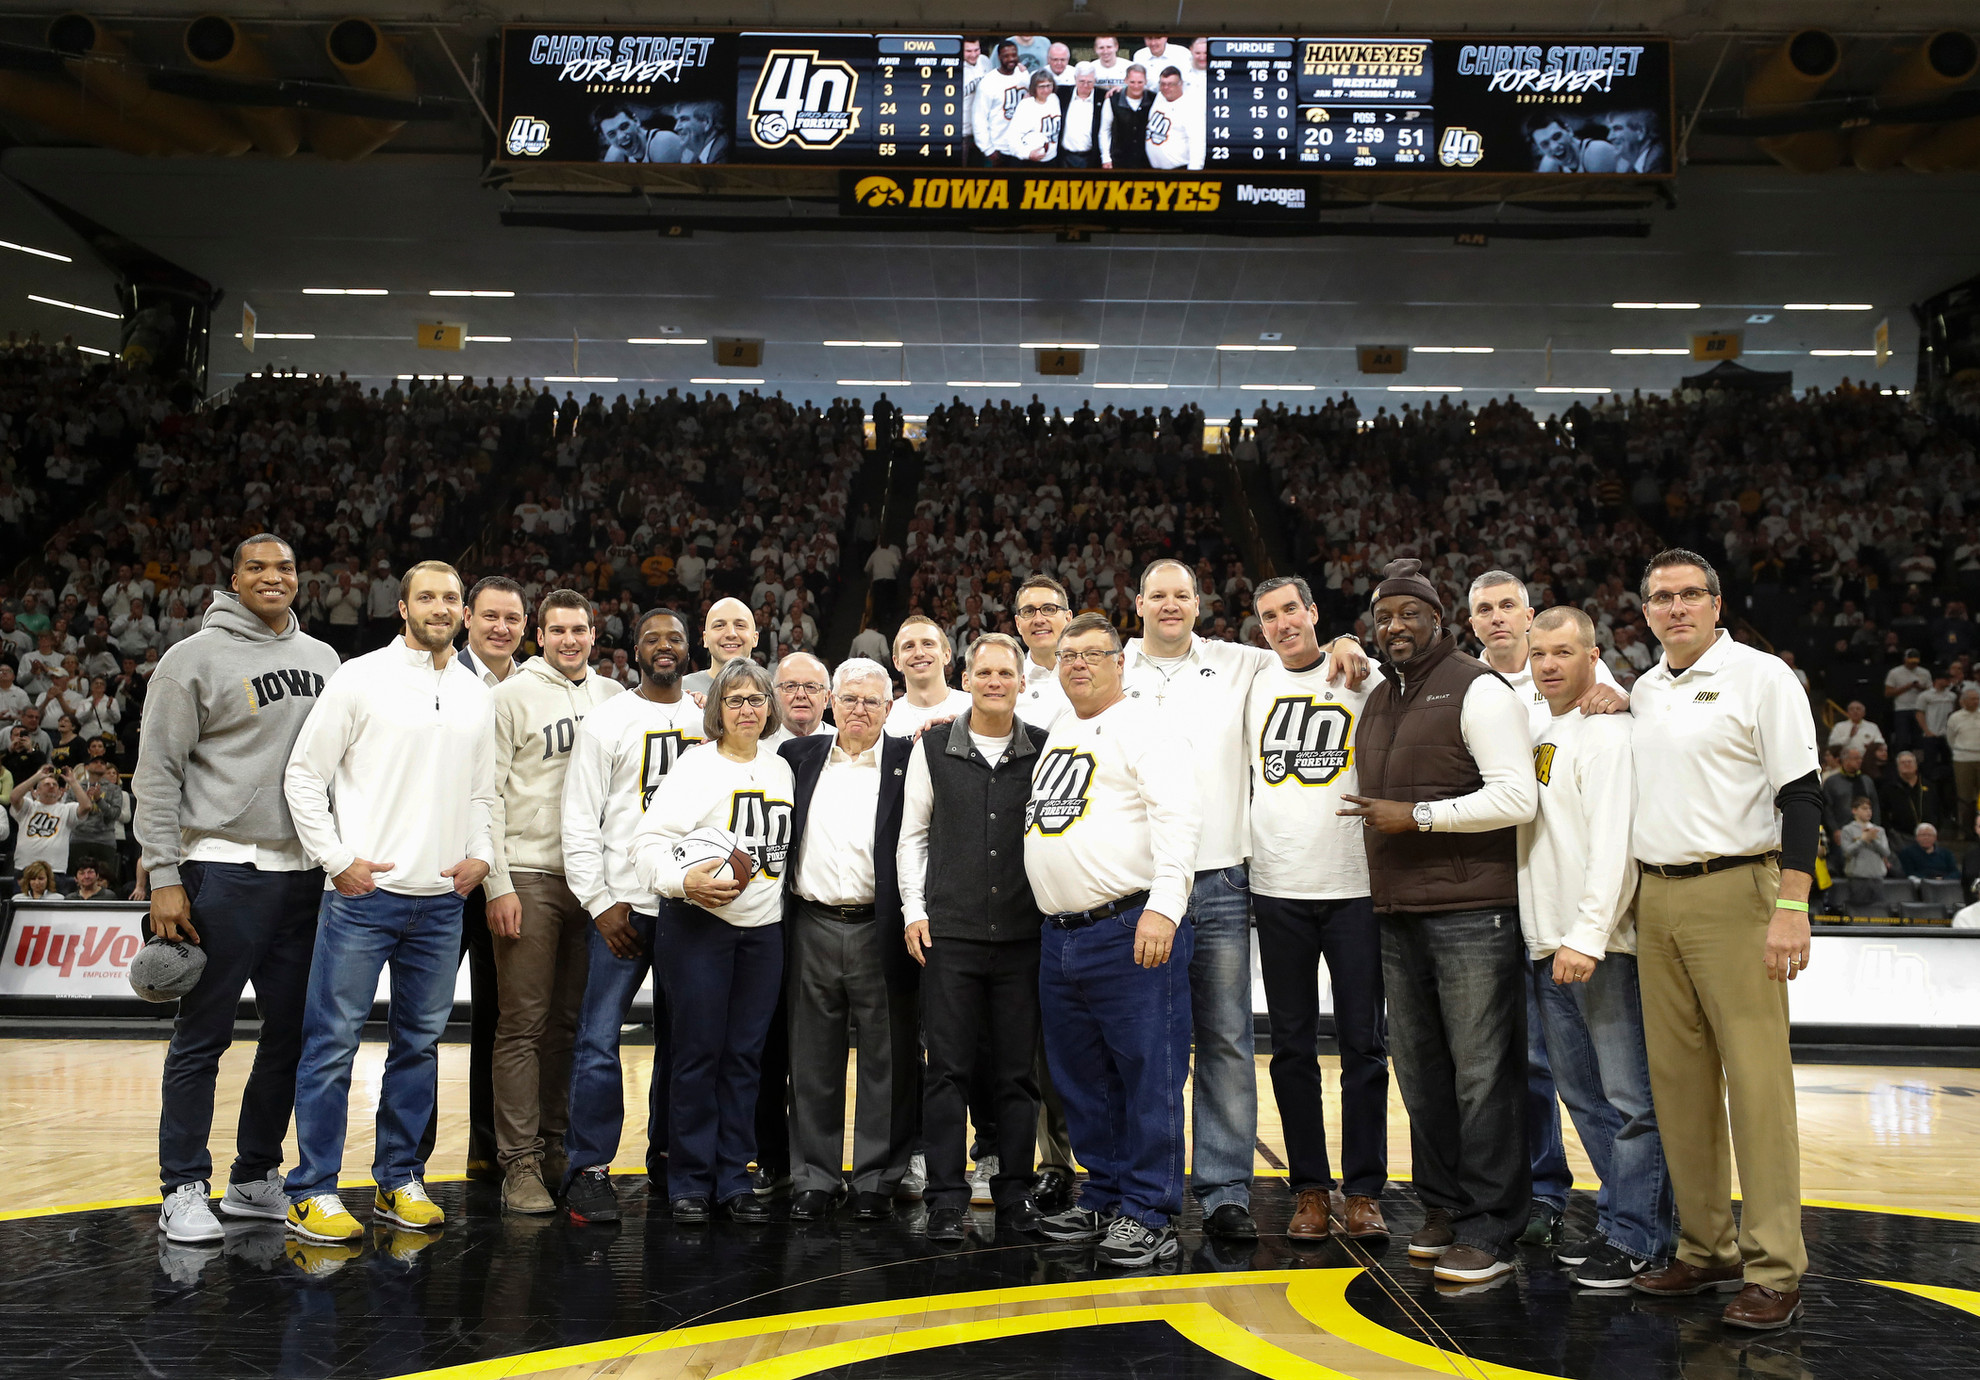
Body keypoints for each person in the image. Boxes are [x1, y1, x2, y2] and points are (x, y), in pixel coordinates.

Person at [1124, 559, 1365, 1241]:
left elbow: (1307, 655)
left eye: (1182, 595)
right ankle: (1140, 1185)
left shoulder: (1240, 663)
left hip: (1221, 878)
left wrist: (1346, 640)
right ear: (1138, 604)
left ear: (1199, 603)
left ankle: (1226, 1191)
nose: (1170, 605)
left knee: (1227, 1040)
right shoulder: (1111, 666)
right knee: (1143, 1045)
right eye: (1158, 595)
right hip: (1138, 885)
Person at [1626, 549, 1822, 1330]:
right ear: (1645, 611)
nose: (1675, 608)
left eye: (1689, 595)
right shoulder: (1643, 689)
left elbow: (1802, 795)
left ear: (1716, 603)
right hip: (1656, 895)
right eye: (1660, 598)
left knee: (1758, 1087)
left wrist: (1792, 903)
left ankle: (1775, 1268)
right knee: (1679, 1088)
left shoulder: (1762, 676)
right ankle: (1707, 1247)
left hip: (1740, 889)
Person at [133, 535, 341, 1245]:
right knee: (203, 1036)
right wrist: (164, 875)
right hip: (220, 869)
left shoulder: (325, 659)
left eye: (285, 567)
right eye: (257, 567)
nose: (272, 577)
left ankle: (255, 1177)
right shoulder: (190, 659)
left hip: (306, 876)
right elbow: (156, 773)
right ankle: (183, 1186)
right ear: (234, 578)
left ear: (299, 578)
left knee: (293, 1036)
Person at [281, 560, 496, 1243]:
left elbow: (483, 792)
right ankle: (312, 1189)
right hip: (362, 898)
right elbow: (303, 776)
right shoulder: (360, 677)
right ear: (402, 608)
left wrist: (482, 855)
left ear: (463, 613)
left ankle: (398, 1178)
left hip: (441, 902)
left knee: (419, 1049)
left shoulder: (474, 693)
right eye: (426, 597)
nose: (440, 607)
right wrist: (337, 860)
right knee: (332, 1046)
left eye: (450, 598)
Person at [1339, 558, 1538, 1286]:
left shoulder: (1478, 688)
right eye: (1383, 616)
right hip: (1398, 911)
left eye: (1408, 614)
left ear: (1438, 619)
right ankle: (1445, 1207)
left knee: (1483, 1076)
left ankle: (1493, 1225)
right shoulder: (1378, 698)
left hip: (1471, 913)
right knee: (1422, 1074)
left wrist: (1418, 816)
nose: (1394, 626)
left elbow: (1517, 797)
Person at [1026, 613, 1200, 1268]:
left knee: (1149, 1075)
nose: (1077, 664)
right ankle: (1103, 1194)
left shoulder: (1147, 724)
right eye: (1068, 655)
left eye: (1092, 654)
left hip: (1130, 927)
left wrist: (1165, 909)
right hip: (1062, 935)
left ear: (1120, 662)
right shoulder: (1062, 728)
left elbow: (1179, 819)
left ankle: (1151, 1210)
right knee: (1084, 1079)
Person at [1516, 606, 1676, 1286]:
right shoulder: (1542, 729)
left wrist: (1587, 936)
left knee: (1631, 1101)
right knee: (1584, 1099)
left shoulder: (1608, 733)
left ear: (1593, 657)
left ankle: (1645, 1237)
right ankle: (1624, 1223)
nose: (1549, 664)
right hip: (1549, 944)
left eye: (1563, 652)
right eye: (1539, 654)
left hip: (1599, 948)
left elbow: (1615, 847)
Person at [1467, 570, 1625, 1246]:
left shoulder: (1580, 686)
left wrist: (1625, 697)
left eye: (1508, 605)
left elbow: (1625, 726)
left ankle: (1635, 1218)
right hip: (1497, 899)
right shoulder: (1468, 684)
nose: (1497, 617)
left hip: (1567, 905)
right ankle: (1545, 1191)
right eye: (1484, 609)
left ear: (1529, 615)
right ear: (1472, 623)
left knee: (1598, 1077)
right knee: (1524, 1065)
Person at [1243, 576, 1390, 1245]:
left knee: (1363, 1046)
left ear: (1312, 612)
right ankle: (1308, 1187)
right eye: (1268, 616)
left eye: (1290, 611)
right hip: (1279, 888)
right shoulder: (1252, 682)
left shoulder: (1364, 676)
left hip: (1356, 886)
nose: (1281, 624)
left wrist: (1350, 642)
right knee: (1292, 1049)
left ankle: (1363, 1191)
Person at [630, 658, 795, 1222]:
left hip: (763, 933)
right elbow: (647, 843)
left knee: (745, 1058)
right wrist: (683, 882)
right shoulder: (695, 767)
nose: (747, 709)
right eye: (735, 699)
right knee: (697, 1054)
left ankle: (733, 1176)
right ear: (717, 709)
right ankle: (690, 1179)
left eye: (757, 699)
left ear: (769, 708)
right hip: (699, 927)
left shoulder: (780, 769)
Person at [899, 633, 1051, 1241]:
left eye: (1004, 673)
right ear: (965, 680)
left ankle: (1015, 1195)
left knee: (1016, 1075)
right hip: (951, 937)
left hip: (1022, 936)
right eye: (983, 673)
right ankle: (944, 1199)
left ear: (1021, 682)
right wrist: (914, 910)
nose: (994, 682)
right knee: (947, 1072)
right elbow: (913, 836)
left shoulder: (1045, 747)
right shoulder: (932, 748)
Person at [558, 609, 705, 1223]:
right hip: (623, 908)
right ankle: (589, 1169)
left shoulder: (708, 719)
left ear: (689, 649)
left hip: (690, 908)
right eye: (652, 639)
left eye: (674, 638)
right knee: (597, 1039)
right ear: (634, 650)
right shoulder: (608, 719)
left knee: (683, 1042)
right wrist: (599, 904)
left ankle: (670, 1157)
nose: (664, 647)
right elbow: (578, 819)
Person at [483, 590, 623, 1213]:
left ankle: (556, 1146)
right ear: (540, 637)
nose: (570, 640)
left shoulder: (614, 698)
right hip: (531, 875)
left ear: (594, 634)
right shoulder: (509, 697)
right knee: (523, 1025)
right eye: (558, 630)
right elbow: (485, 795)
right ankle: (518, 1163)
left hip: (593, 884)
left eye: (580, 630)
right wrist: (498, 883)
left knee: (570, 1024)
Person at [779, 658, 918, 1221]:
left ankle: (875, 1180)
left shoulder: (912, 761)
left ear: (890, 707)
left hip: (881, 926)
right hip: (810, 921)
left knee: (889, 1058)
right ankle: (814, 1177)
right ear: (831, 703)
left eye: (871, 700)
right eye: (849, 698)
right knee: (810, 1058)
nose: (859, 709)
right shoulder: (796, 756)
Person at [886, 616, 971, 737]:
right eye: (909, 646)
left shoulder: (973, 708)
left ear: (946, 655)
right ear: (897, 662)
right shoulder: (885, 719)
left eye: (928, 644)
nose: (919, 653)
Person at [9, 763, 93, 876]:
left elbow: (86, 806)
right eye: (47, 784)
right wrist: (37, 776)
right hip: (25, 866)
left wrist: (72, 781)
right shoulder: (29, 806)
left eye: (55, 784)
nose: (51, 786)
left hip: (55, 869)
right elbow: (14, 797)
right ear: (37, 791)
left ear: (60, 792)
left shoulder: (67, 809)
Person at [682, 597, 758, 697]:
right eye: (719, 626)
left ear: (755, 638)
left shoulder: (773, 692)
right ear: (705, 639)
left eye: (740, 625)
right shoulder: (680, 691)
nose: (731, 634)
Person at [972, 41, 1028, 165]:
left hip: (1021, 147)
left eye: (1014, 55)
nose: (1011, 59)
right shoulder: (988, 82)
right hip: (998, 148)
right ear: (999, 57)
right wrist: (988, 150)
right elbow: (979, 118)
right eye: (1006, 56)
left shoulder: (1024, 74)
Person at [1143, 66, 1202, 171]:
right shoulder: (1159, 97)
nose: (1166, 88)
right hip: (1154, 169)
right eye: (1163, 84)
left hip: (1179, 170)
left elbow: (1197, 143)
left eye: (1171, 84)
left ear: (1181, 84)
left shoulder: (1190, 108)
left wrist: (1194, 171)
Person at [999, 71, 1062, 163]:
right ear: (1034, 87)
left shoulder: (1054, 99)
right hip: (1030, 161)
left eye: (1049, 85)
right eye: (1041, 86)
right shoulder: (1026, 106)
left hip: (1051, 160)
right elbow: (1013, 136)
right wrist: (1027, 154)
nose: (1046, 90)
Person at [1100, 64, 1154, 169]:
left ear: (1146, 81)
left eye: (1140, 82)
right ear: (1125, 81)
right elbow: (1104, 130)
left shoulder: (1154, 99)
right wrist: (1106, 157)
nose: (1136, 86)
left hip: (1147, 161)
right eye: (1132, 82)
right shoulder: (1112, 101)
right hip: (1119, 159)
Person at [1946, 687, 1980, 838]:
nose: (1976, 701)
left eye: (1977, 698)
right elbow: (1951, 739)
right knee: (1965, 797)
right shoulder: (1955, 717)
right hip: (1963, 759)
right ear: (1963, 701)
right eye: (1973, 699)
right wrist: (1962, 750)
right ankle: (1965, 831)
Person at [1054, 65, 1103, 168]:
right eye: (1081, 81)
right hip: (1063, 157)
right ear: (1075, 79)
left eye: (1089, 82)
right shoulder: (1062, 93)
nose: (1085, 85)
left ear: (1095, 80)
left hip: (1091, 158)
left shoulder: (1103, 97)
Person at [1879, 750, 1937, 836]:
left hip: (1928, 835)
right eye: (1903, 762)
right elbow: (1883, 813)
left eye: (1909, 762)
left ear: (1916, 765)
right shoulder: (1889, 788)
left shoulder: (1928, 785)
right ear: (1897, 767)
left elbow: (1937, 809)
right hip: (1900, 836)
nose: (1907, 764)